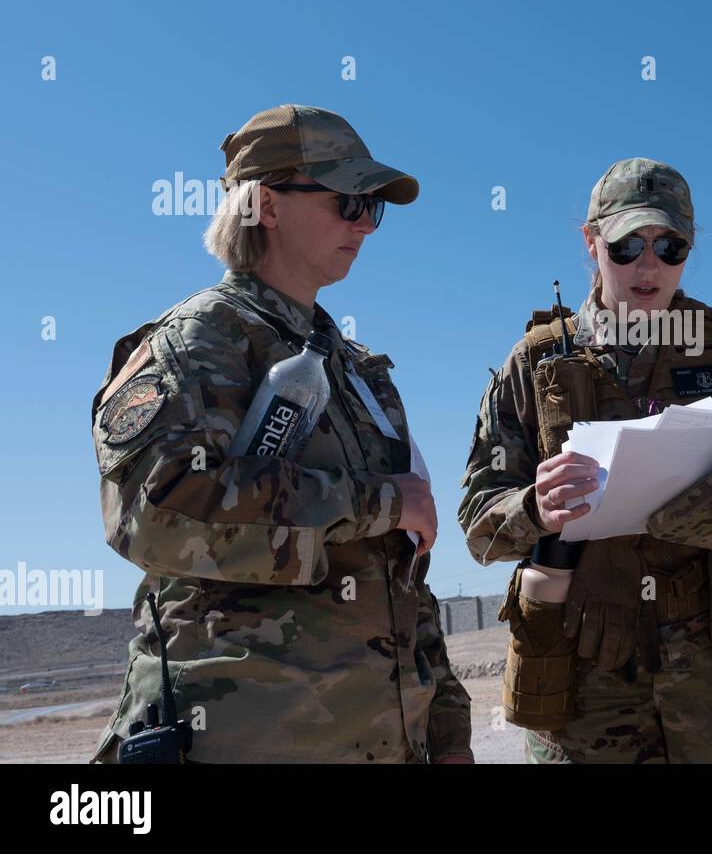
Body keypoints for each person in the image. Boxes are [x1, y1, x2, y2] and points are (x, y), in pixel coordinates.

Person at [91, 104, 472, 763]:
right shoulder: (198, 344)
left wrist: (448, 734)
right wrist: (378, 501)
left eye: (372, 208)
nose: (364, 224)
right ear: (266, 205)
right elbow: (154, 516)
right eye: (348, 201)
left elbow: (404, 573)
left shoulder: (358, 372)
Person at [459, 157, 712, 763]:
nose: (649, 265)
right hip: (589, 673)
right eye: (627, 245)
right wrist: (535, 507)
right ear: (591, 243)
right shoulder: (534, 364)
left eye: (670, 246)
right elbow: (479, 516)